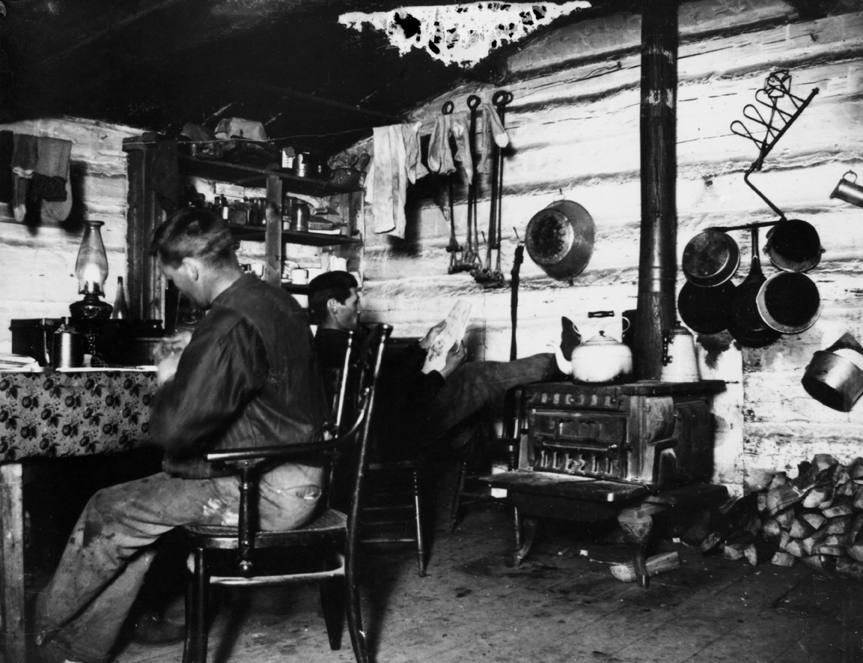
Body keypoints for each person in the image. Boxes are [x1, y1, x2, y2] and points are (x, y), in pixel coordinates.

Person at [35, 207, 331, 663]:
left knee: (107, 507)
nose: (177, 288)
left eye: (175, 279)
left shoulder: (228, 323)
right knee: (144, 505)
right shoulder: (273, 299)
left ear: (192, 268)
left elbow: (175, 432)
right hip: (302, 473)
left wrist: (171, 376)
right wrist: (202, 352)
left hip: (266, 490)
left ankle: (38, 633)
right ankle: (88, 640)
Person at [308, 271, 576, 454]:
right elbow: (394, 401)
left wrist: (424, 344)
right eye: (354, 301)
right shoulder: (343, 349)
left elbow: (387, 378)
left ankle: (466, 443)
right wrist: (445, 372)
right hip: (388, 438)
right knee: (475, 376)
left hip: (377, 434)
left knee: (471, 407)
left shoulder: (329, 343)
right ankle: (560, 362)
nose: (359, 307)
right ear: (334, 305)